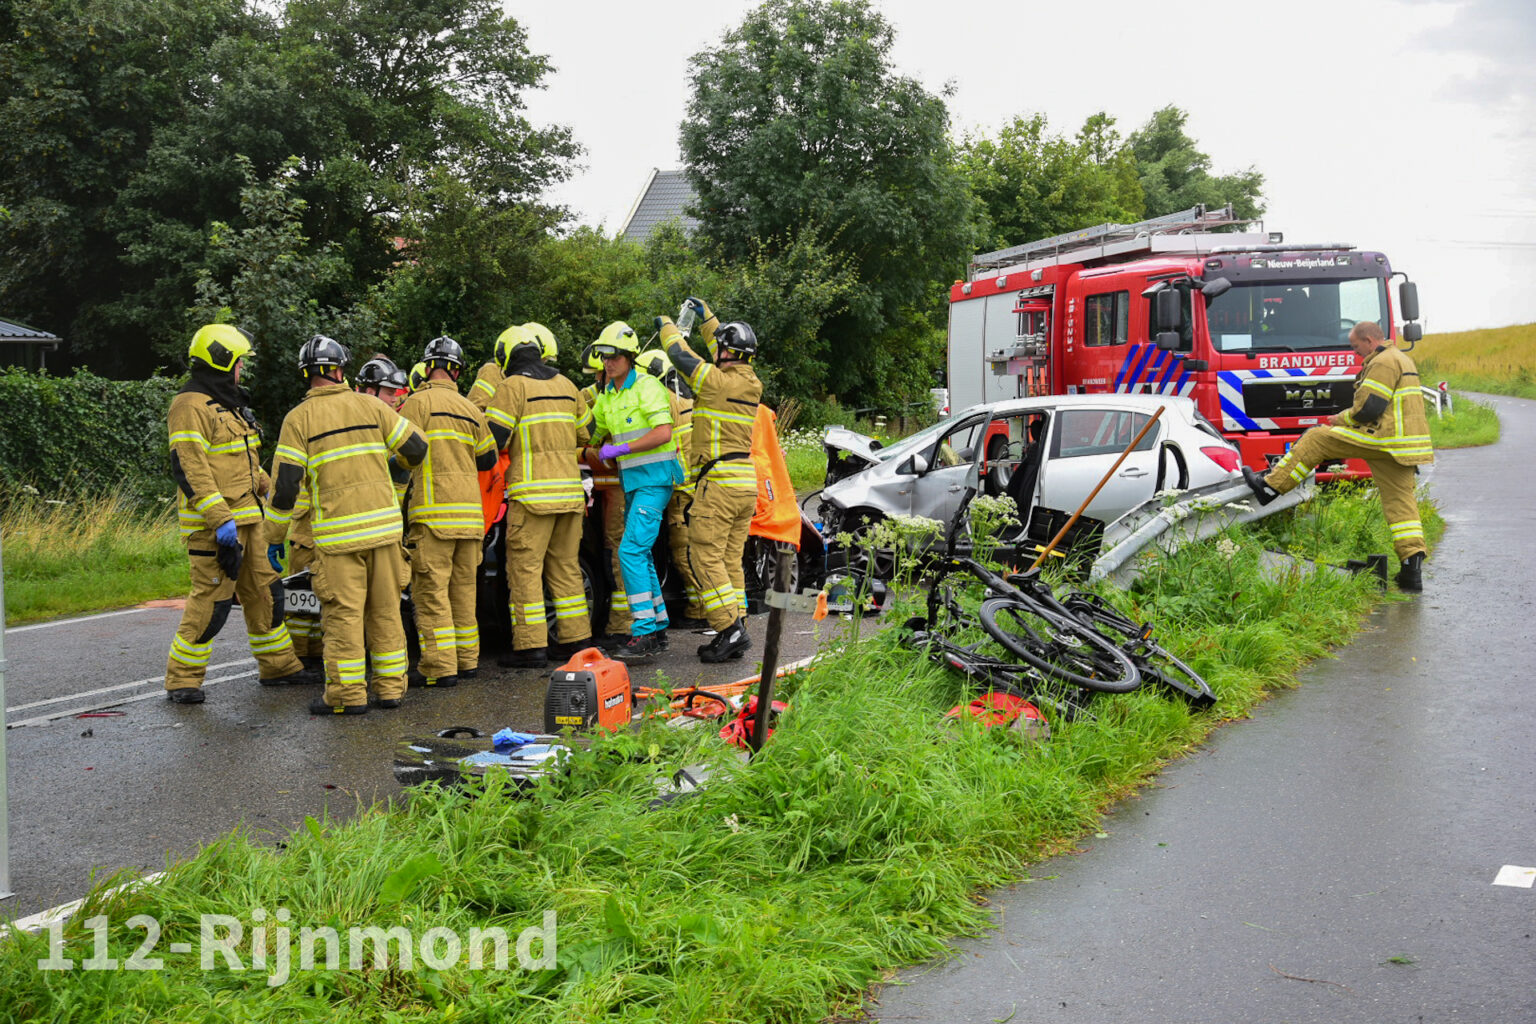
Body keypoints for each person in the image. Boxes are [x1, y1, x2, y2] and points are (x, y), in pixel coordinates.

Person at [264, 335, 428, 715]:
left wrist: (274, 536)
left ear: (307, 375)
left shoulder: (297, 419)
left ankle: (346, 696)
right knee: (386, 612)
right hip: (385, 534)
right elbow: (416, 448)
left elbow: (286, 485)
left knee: (343, 617)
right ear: (340, 370)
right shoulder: (371, 406)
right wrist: (395, 476)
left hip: (338, 540)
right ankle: (390, 691)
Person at [163, 324, 315, 703]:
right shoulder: (189, 406)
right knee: (212, 603)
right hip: (215, 529)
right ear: (221, 359)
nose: (242, 369)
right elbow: (189, 467)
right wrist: (220, 521)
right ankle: (183, 679)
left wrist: (278, 495)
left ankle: (279, 666)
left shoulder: (227, 405)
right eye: (239, 361)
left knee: (267, 593)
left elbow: (245, 465)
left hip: (250, 522)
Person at [1242, 320, 1433, 590]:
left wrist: (1339, 419)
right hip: (1405, 447)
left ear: (1369, 340)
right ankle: (1411, 571)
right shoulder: (1401, 358)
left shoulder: (1382, 362)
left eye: (1356, 346)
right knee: (1402, 505)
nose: (1355, 352)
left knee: (1316, 438)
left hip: (1383, 438)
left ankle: (1271, 487)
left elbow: (1369, 408)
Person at [484, 324, 594, 668]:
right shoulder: (567, 385)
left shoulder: (511, 387)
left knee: (525, 571)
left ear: (506, 357)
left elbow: (494, 441)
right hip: (570, 497)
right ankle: (576, 640)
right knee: (565, 568)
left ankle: (531, 647)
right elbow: (586, 433)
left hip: (532, 499)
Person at [659, 298, 763, 662]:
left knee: (703, 557)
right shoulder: (748, 381)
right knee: (730, 560)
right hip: (743, 483)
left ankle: (728, 629)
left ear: (726, 353)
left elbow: (681, 357)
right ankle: (738, 626)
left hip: (718, 484)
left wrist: (667, 326)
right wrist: (709, 319)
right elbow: (719, 347)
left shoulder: (716, 382)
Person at [396, 336, 497, 687]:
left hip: (433, 517)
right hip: (470, 520)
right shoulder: (471, 409)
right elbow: (489, 458)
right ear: (456, 371)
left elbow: (399, 456)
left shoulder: (416, 405)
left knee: (432, 593)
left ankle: (440, 668)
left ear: (427, 367)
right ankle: (467, 662)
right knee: (463, 593)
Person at [585, 323, 684, 662]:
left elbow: (663, 433)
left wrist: (621, 449)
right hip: (634, 483)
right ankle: (656, 628)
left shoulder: (648, 388)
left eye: (613, 357)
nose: (607, 362)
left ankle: (642, 632)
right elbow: (589, 428)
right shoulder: (608, 393)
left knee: (629, 552)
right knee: (638, 554)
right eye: (603, 356)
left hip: (655, 480)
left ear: (629, 358)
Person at [637, 349, 706, 627]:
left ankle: (702, 609)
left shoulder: (664, 399)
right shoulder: (689, 398)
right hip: (697, 485)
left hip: (682, 489)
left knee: (683, 551)